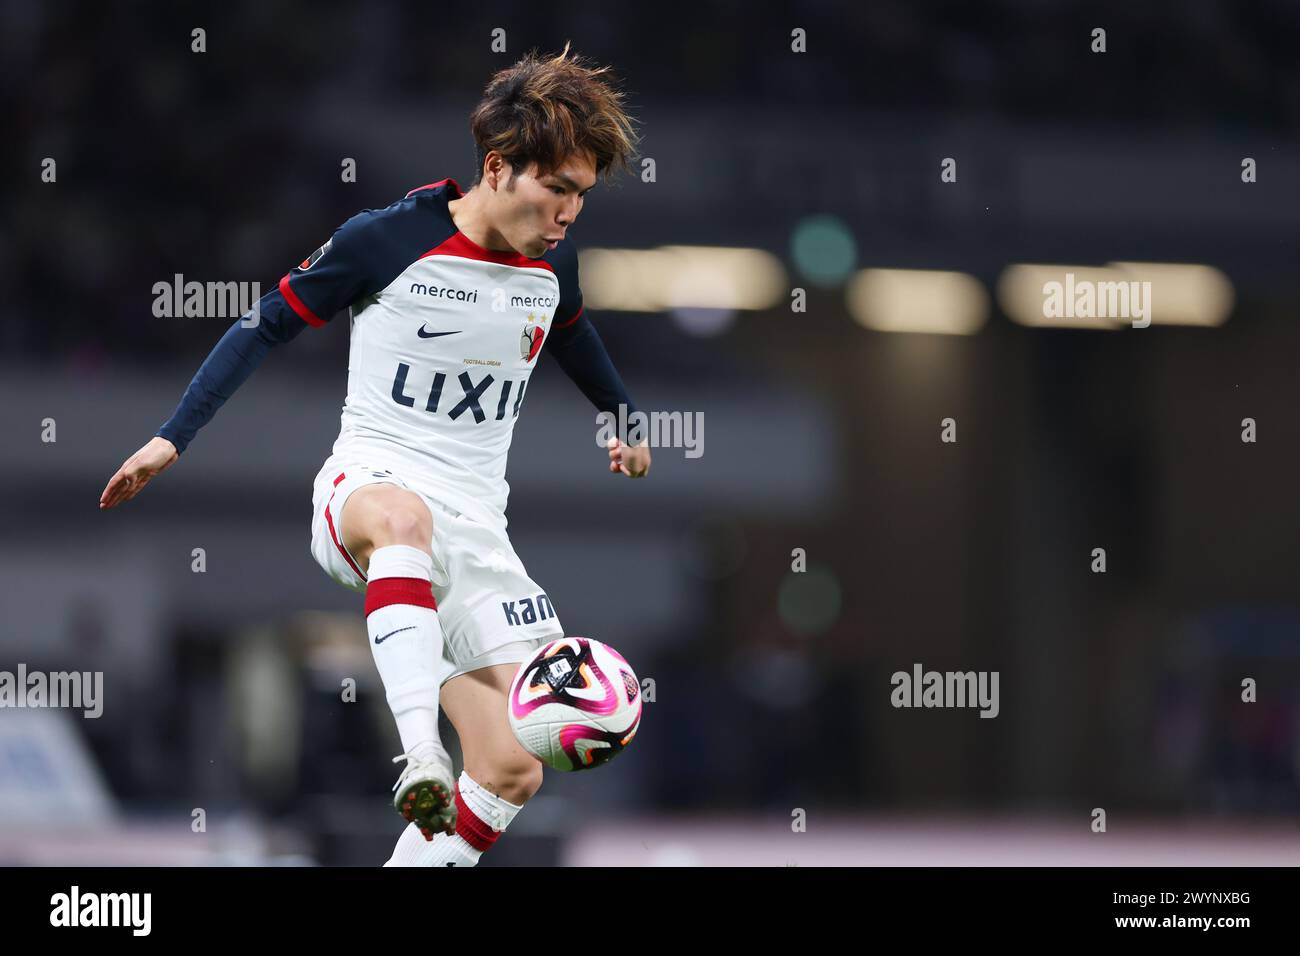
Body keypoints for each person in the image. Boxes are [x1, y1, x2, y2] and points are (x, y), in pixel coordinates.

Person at [99, 44, 650, 867]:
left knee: (512, 768)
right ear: (498, 167)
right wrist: (172, 435)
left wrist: (623, 419)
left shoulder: (553, 265)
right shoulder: (385, 239)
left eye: (581, 196)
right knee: (404, 520)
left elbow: (575, 338)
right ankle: (419, 753)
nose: (569, 212)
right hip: (370, 486)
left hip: (479, 533)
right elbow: (264, 323)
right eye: (557, 189)